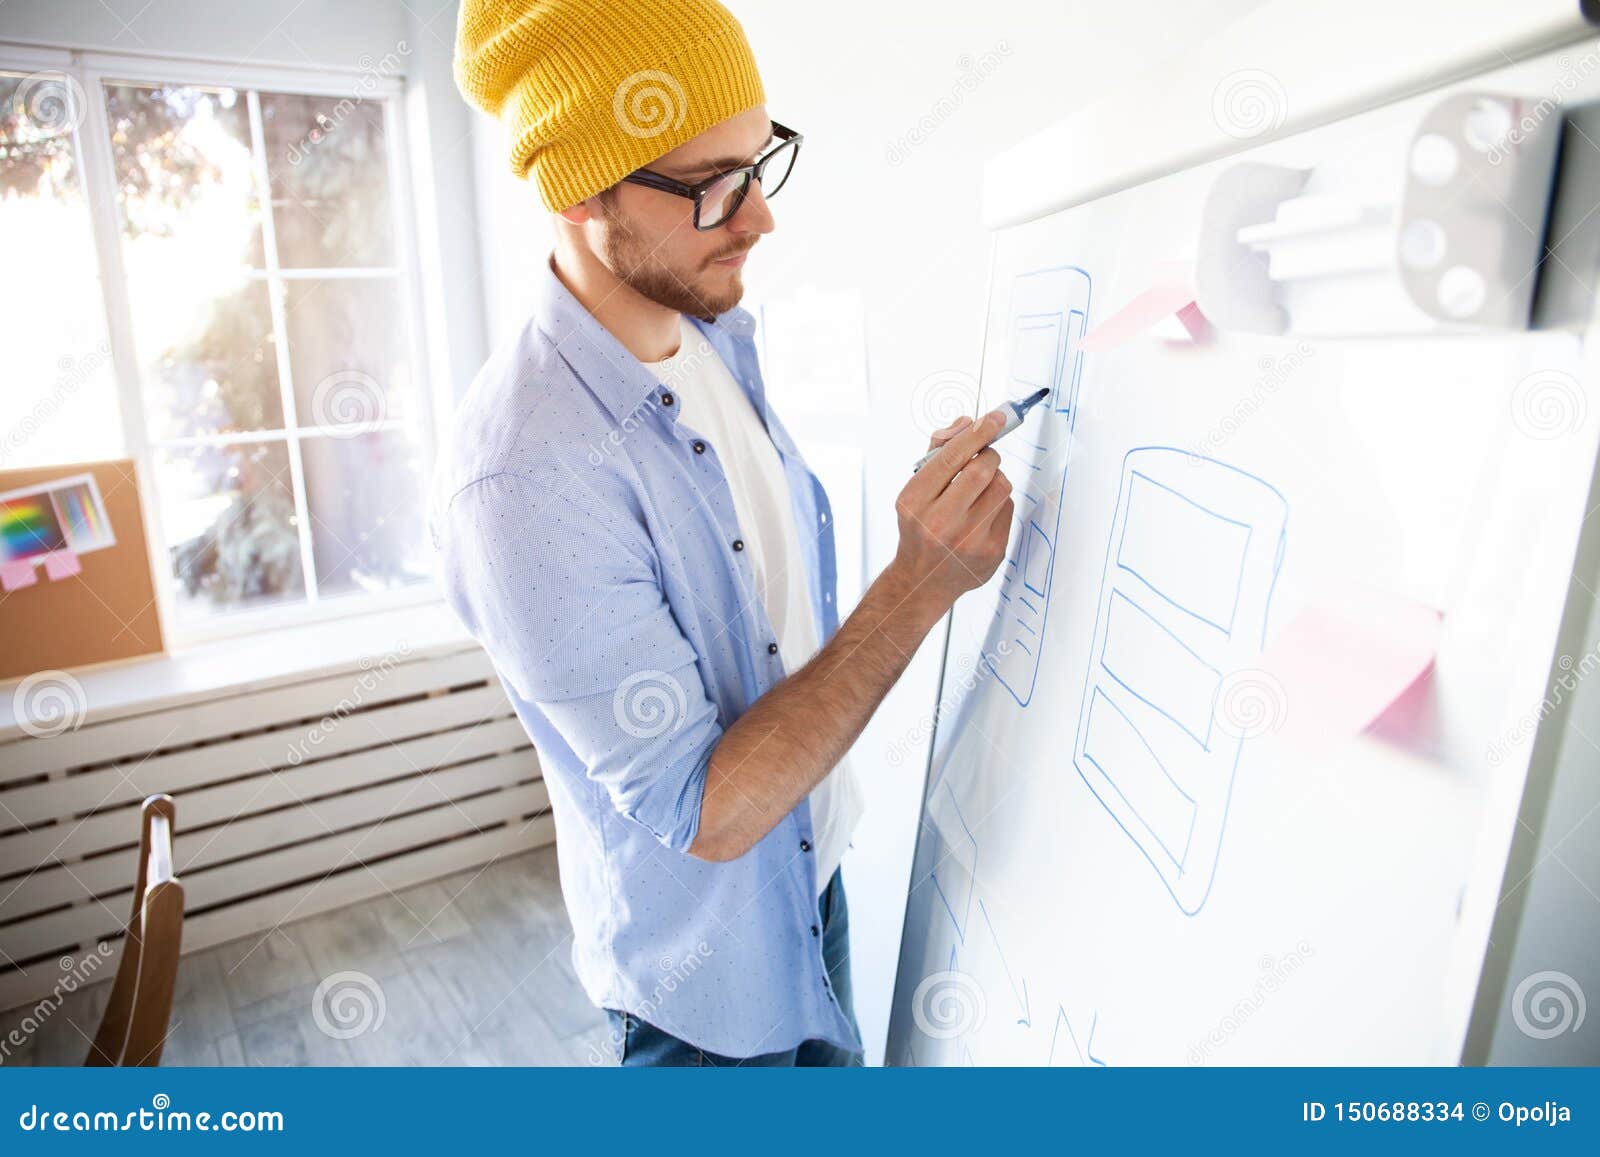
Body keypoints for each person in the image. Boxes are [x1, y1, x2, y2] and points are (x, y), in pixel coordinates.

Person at [435, 0, 1013, 1066]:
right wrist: (918, 586)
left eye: (759, 164)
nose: (757, 220)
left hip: (807, 888)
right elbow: (702, 809)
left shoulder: (710, 334)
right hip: (703, 1008)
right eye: (711, 186)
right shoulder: (525, 476)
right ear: (575, 192)